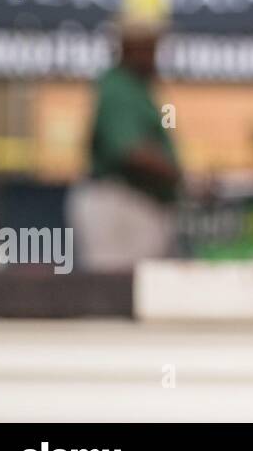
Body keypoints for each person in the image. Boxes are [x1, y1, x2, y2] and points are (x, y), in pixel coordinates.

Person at [68, 18, 182, 270]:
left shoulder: (139, 88)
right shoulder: (118, 87)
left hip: (139, 204)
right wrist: (181, 176)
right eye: (149, 48)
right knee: (115, 295)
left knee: (140, 294)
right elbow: (131, 151)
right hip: (119, 205)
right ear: (131, 48)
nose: (154, 56)